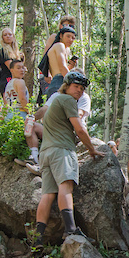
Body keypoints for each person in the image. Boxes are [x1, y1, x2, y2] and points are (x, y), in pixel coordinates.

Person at [34, 71, 104, 244]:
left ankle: (37, 239)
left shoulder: (55, 101)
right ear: (66, 86)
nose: (79, 91)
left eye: (82, 88)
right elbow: (79, 129)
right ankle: (71, 229)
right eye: (76, 86)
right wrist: (91, 150)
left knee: (48, 195)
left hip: (46, 152)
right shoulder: (67, 100)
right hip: (61, 150)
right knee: (66, 186)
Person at [4, 60, 43, 165]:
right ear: (11, 70)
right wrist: (30, 113)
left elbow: (5, 103)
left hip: (9, 115)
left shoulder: (8, 84)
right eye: (18, 68)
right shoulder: (20, 82)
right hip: (20, 113)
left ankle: (26, 156)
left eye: (22, 67)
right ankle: (34, 156)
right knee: (33, 130)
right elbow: (22, 99)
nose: (22, 70)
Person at [46, 25, 76, 99]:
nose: (70, 39)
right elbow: (62, 68)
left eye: (73, 38)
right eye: (68, 36)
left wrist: (70, 67)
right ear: (61, 36)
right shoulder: (60, 45)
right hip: (58, 82)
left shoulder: (66, 49)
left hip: (57, 82)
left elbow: (58, 68)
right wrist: (74, 82)